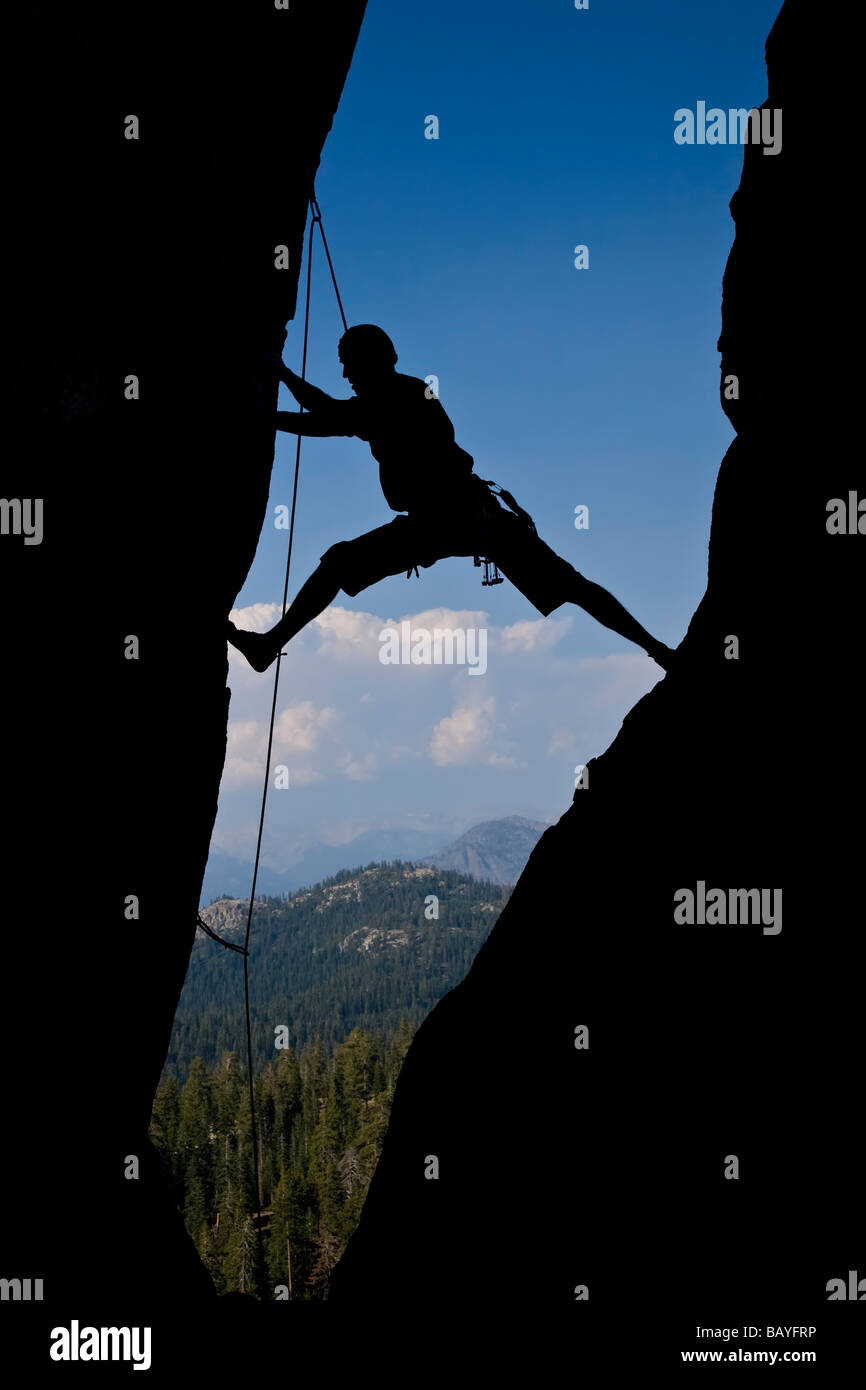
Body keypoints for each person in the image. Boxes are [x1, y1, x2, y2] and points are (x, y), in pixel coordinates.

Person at [227, 324, 675, 672]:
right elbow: (332, 418)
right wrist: (269, 408)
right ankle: (656, 649)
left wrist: (277, 382)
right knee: (572, 585)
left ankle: (269, 645)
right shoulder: (399, 395)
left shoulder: (401, 394)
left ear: (371, 361)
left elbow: (329, 415)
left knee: (338, 564)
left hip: (452, 518)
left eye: (348, 363)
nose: (345, 373)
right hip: (463, 520)